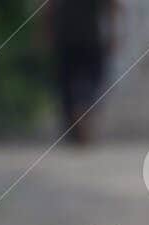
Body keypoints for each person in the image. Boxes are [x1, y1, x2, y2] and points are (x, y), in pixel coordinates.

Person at [51, 0, 111, 143]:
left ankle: (78, 125)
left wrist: (46, 32)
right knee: (89, 86)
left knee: (70, 87)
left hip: (69, 39)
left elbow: (48, 8)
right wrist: (112, 32)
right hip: (89, 39)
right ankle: (81, 125)